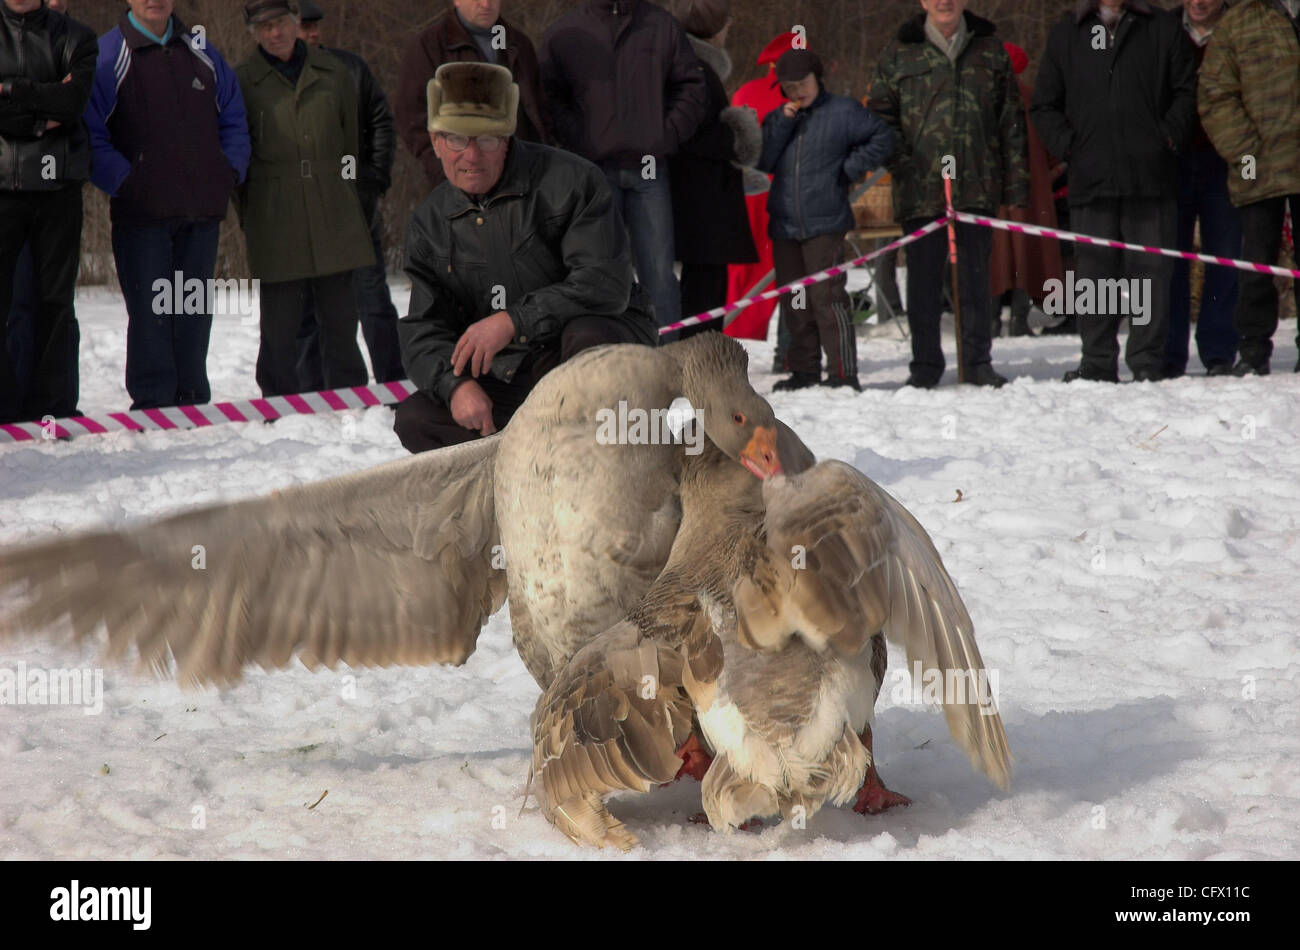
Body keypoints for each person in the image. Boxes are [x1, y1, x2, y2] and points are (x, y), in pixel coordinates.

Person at [395, 62, 656, 453]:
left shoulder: (571, 180)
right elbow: (423, 329)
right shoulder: (429, 222)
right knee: (416, 419)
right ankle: (519, 470)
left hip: (590, 349)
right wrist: (456, 385)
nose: (471, 155)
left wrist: (514, 320)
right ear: (434, 141)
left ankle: (603, 464)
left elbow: (604, 283)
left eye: (486, 139)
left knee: (587, 338)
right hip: (511, 371)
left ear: (507, 137)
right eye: (456, 139)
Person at [84, 0, 249, 411]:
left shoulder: (202, 49)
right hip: (142, 215)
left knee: (192, 309)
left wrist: (227, 171)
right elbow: (89, 133)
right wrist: (127, 181)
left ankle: (192, 396)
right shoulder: (108, 55)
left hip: (200, 210)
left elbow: (233, 116)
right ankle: (154, 402)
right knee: (152, 311)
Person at [1031, 0, 1197, 383]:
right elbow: (1044, 105)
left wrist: (1166, 138)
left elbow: (1186, 92)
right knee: (1095, 273)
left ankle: (1146, 360)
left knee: (1150, 272)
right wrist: (1072, 147)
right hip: (1091, 176)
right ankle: (1098, 360)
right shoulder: (1067, 33)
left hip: (1151, 175)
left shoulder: (1160, 27)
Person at [870, 0, 1027, 389]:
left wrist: (1015, 185)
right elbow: (878, 117)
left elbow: (1011, 121)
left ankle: (977, 361)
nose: (945, 2)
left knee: (975, 277)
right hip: (921, 189)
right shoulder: (899, 51)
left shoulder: (990, 50)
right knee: (922, 281)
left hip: (976, 185)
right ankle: (925, 364)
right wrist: (904, 164)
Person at [540, 0, 709, 341]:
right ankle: (605, 356)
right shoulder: (565, 32)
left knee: (658, 273)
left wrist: (666, 134)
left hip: (649, 168)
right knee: (597, 273)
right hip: (593, 169)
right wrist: (578, 138)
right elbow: (547, 94)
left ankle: (666, 361)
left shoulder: (660, 25)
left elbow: (692, 85)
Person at [235, 0, 373, 398]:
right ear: (254, 33)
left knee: (341, 320)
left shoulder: (334, 73)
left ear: (296, 23)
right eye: (264, 27)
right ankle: (277, 403)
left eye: (280, 23)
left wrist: (348, 195)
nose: (274, 33)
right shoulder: (243, 80)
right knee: (279, 326)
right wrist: (254, 212)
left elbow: (351, 144)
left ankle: (350, 399)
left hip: (334, 207)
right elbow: (239, 159)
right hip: (274, 213)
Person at [759, 50, 894, 392]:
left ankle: (843, 374)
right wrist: (783, 122)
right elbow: (763, 160)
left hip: (826, 221)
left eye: (802, 84)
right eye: (788, 87)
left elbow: (883, 137)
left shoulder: (844, 111)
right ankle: (804, 370)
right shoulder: (780, 118)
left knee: (827, 299)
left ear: (817, 78)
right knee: (796, 300)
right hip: (785, 223)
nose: (796, 92)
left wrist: (850, 168)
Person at [293, 0, 403, 390]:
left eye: (315, 26)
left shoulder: (351, 68)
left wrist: (373, 181)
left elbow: (381, 121)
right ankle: (309, 393)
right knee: (305, 307)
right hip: (298, 215)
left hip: (353, 210)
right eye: (304, 27)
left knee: (372, 301)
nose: (313, 33)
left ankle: (395, 383)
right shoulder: (267, 80)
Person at [0, 0, 96, 424]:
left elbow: (72, 101)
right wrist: (42, 115)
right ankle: (5, 407)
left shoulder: (76, 36)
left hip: (57, 189)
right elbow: (56, 103)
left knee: (55, 303)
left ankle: (52, 407)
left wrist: (11, 91)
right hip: (2, 189)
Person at [1199, 0, 1300, 376]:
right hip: (1256, 159)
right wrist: (1245, 151)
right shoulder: (1239, 21)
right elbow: (1214, 93)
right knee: (1256, 259)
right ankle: (1254, 349)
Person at [665, 0, 758, 336]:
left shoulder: (682, 64)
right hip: (702, 205)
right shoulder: (697, 71)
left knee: (703, 289)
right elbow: (692, 131)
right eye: (726, 22)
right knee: (704, 294)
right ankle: (699, 368)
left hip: (696, 199)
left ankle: (697, 362)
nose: (729, 27)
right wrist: (737, 134)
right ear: (714, 28)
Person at [1163, 0, 1241, 377]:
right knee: (1168, 259)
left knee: (1224, 257)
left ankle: (1219, 349)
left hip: (1224, 160)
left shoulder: (1237, 28)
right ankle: (1169, 352)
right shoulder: (1161, 29)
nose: (1199, 2)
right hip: (1171, 162)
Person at [397, 0, 547, 191]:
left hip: (521, 179)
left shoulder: (519, 44)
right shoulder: (429, 46)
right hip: (462, 176)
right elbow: (410, 118)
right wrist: (444, 170)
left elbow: (539, 111)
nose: (486, 4)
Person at [725, 29, 800, 365]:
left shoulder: (744, 91)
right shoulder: (804, 95)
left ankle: (724, 348)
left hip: (747, 195)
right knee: (793, 272)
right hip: (788, 195)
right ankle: (790, 351)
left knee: (741, 271)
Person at [988, 41, 1065, 339]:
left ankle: (992, 320)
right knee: (1027, 255)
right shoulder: (1036, 100)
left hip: (992, 193)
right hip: (1031, 195)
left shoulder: (981, 101)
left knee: (994, 257)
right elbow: (1056, 152)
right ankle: (1019, 320)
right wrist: (1047, 177)